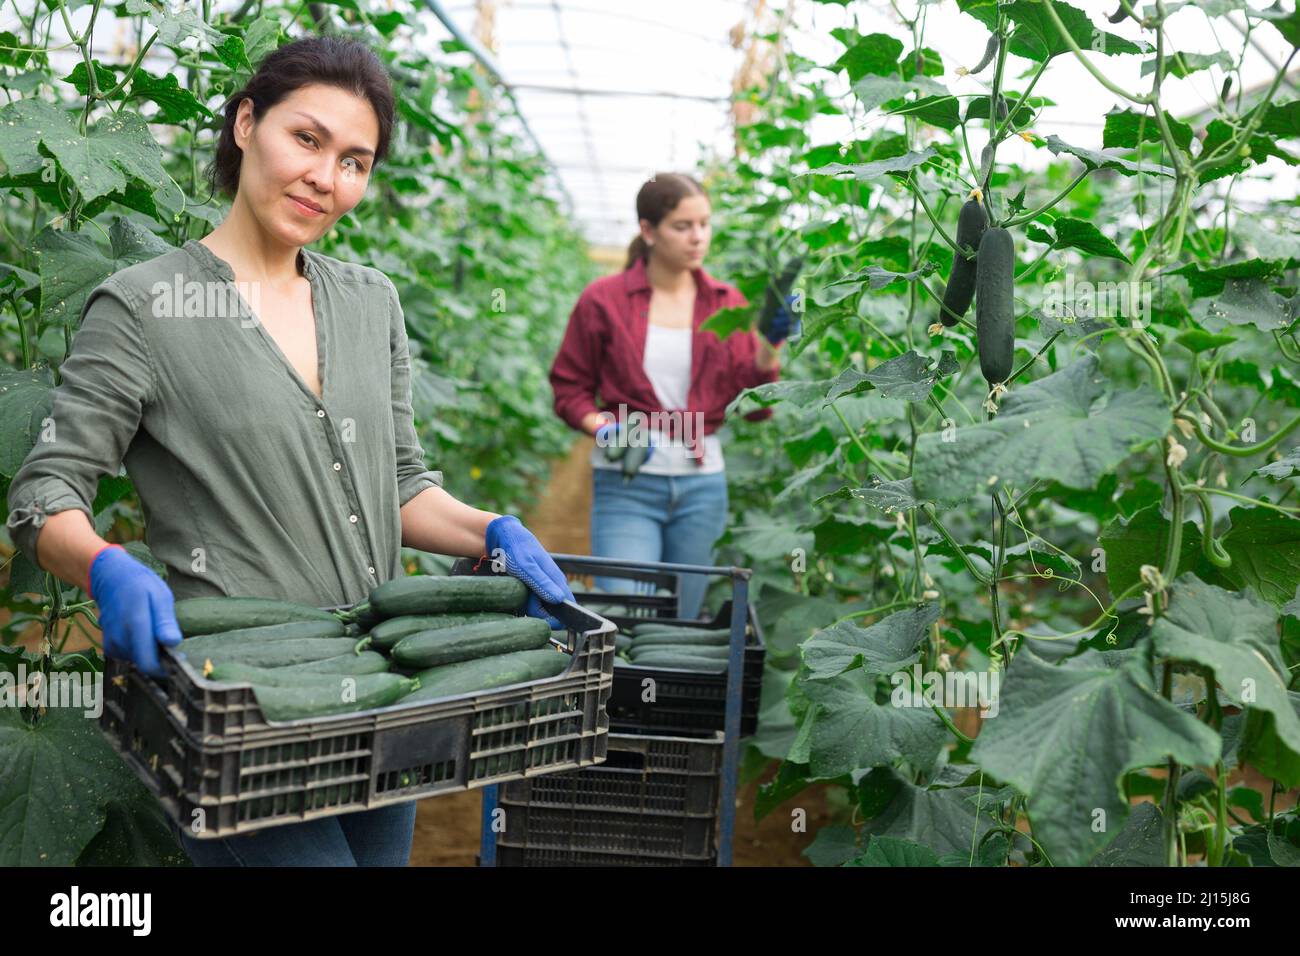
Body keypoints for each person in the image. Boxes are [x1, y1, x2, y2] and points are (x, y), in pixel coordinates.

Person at [4, 36, 574, 867]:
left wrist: (491, 529)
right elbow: (44, 491)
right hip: (244, 706)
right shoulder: (143, 307)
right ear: (246, 124)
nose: (325, 177)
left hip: (380, 691)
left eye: (354, 160)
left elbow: (403, 485)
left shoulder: (370, 301)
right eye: (306, 139)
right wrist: (103, 565)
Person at [548, 173, 795, 620]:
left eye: (704, 223)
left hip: (703, 487)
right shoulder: (604, 300)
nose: (698, 237)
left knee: (679, 620)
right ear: (648, 230)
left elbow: (756, 410)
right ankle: (622, 690)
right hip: (627, 483)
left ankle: (661, 692)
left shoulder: (726, 302)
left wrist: (767, 347)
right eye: (683, 226)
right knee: (623, 612)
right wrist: (604, 427)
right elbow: (569, 386)